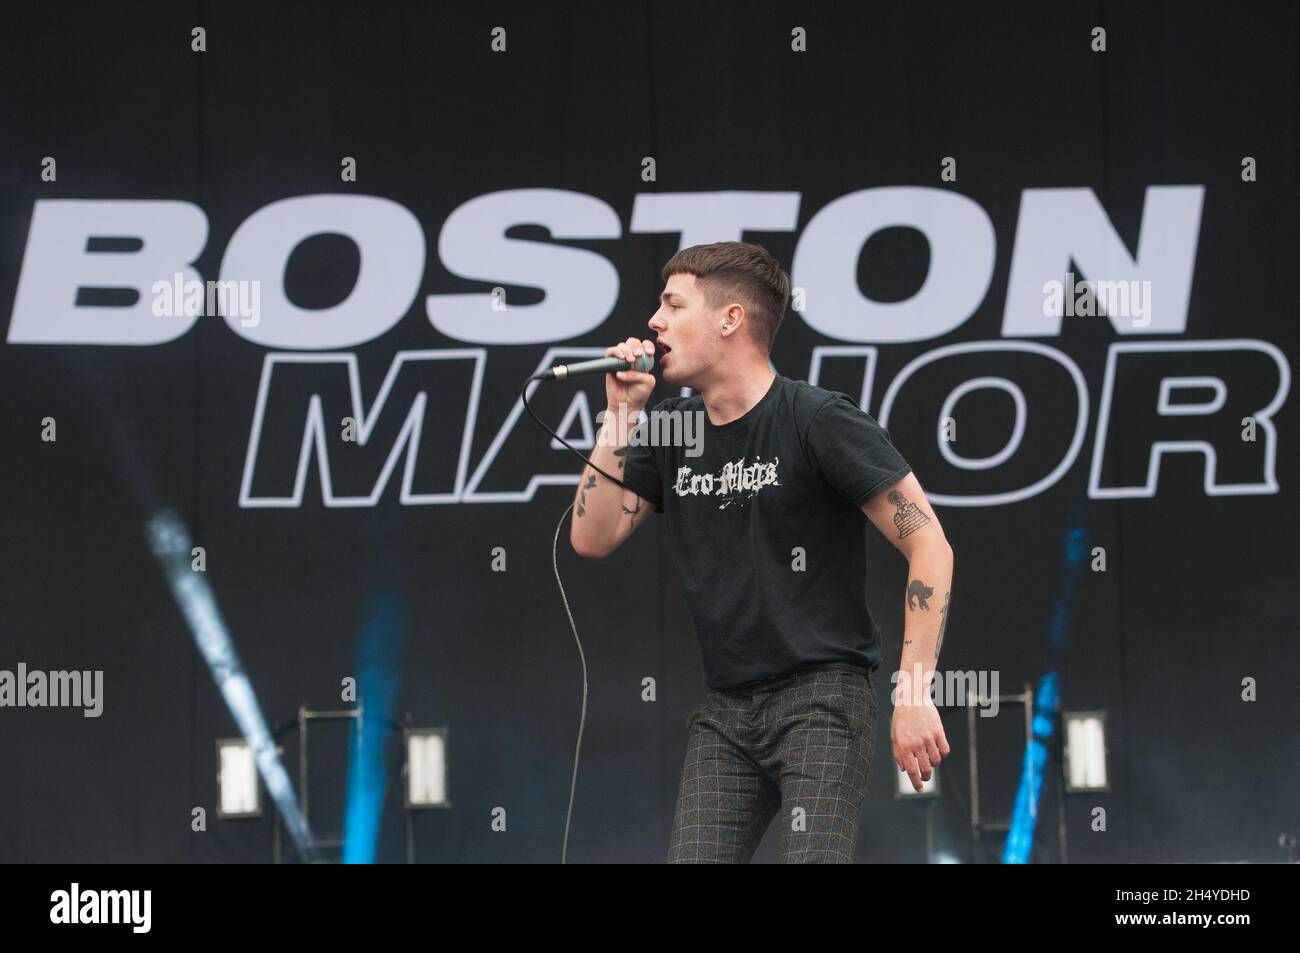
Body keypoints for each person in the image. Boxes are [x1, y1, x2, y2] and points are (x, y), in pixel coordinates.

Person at [569, 241, 953, 863]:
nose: (654, 322)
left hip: (822, 698)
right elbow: (593, 537)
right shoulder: (673, 427)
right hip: (727, 710)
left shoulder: (816, 419)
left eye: (672, 304)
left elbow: (929, 543)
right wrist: (621, 414)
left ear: (730, 320)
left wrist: (912, 693)